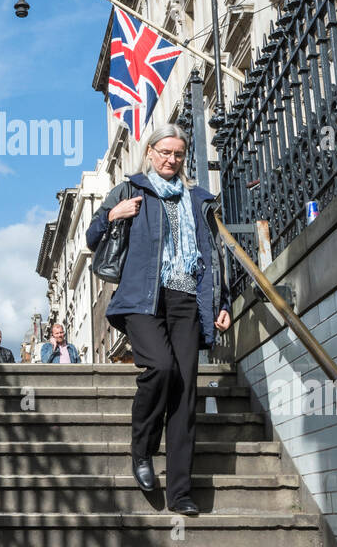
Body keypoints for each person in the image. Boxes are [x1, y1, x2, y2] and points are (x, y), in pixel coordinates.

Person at [86, 122, 231, 515]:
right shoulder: (130, 189)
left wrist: (224, 303)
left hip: (187, 299)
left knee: (184, 396)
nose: (171, 159)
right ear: (150, 153)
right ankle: (143, 450)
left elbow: (214, 255)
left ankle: (181, 492)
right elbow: (91, 238)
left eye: (178, 154)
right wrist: (112, 214)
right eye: (164, 152)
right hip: (141, 299)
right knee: (161, 369)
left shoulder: (199, 198)